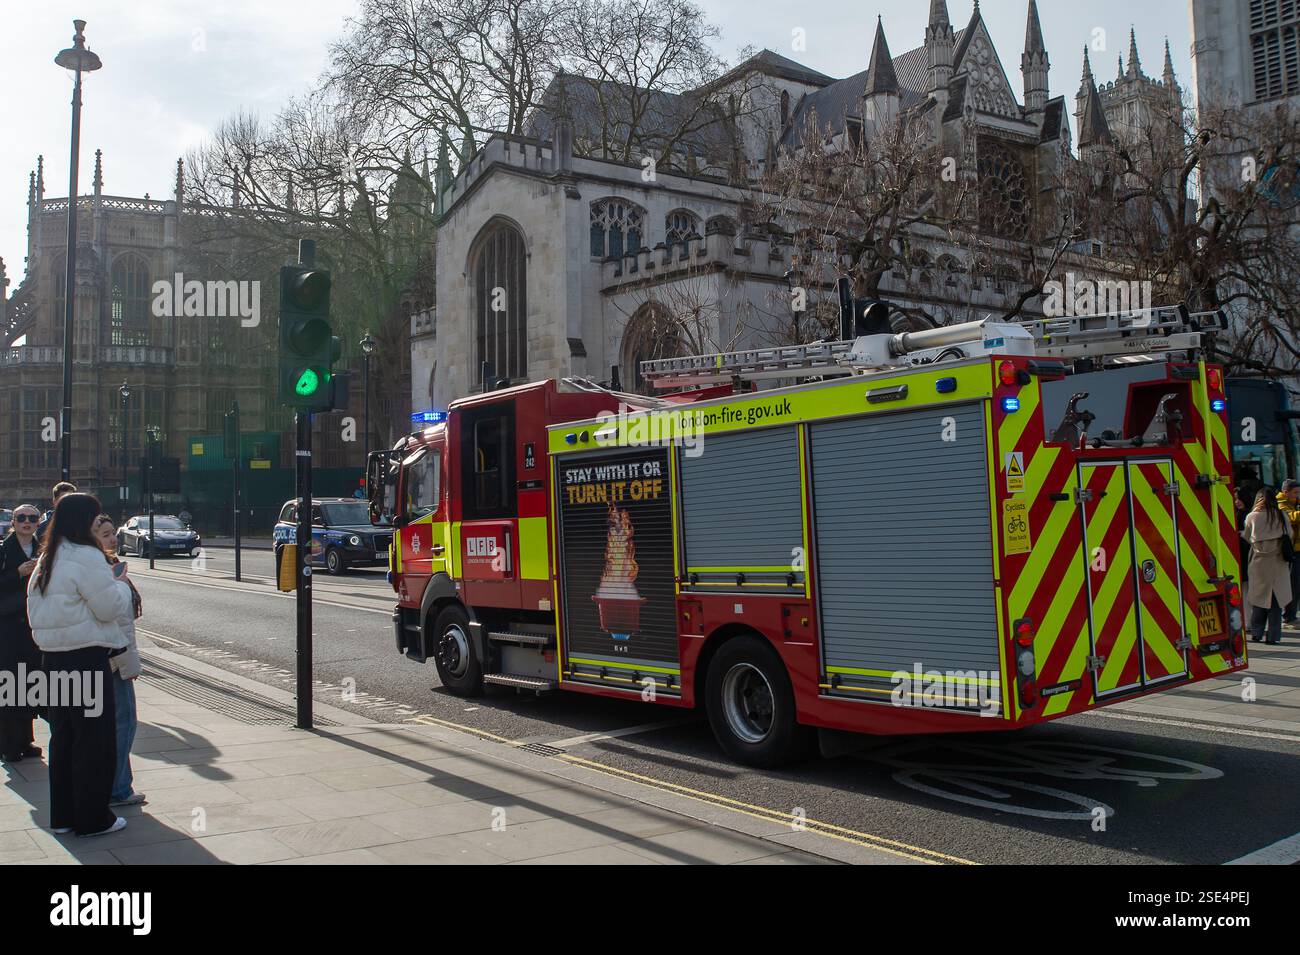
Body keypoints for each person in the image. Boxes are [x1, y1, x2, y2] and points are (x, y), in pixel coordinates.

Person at [27, 493, 132, 836]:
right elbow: (107, 608)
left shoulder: (47, 557)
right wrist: (120, 586)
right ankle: (92, 818)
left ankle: (64, 817)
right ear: (83, 519)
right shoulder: (86, 555)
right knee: (94, 741)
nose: (98, 522)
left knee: (64, 738)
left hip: (52, 659)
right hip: (85, 657)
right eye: (95, 516)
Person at [91, 514, 146, 807]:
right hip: (114, 656)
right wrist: (121, 584)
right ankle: (118, 789)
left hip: (114, 654)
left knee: (119, 724)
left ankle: (119, 784)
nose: (113, 538)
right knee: (123, 723)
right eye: (106, 534)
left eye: (113, 533)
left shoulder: (106, 565)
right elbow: (116, 615)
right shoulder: (102, 570)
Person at [0, 505, 43, 762]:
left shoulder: (43, 550)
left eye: (33, 518)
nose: (27, 522)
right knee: (9, 683)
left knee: (30, 682)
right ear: (13, 522)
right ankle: (8, 743)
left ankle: (26, 740)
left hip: (34, 625)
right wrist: (18, 573)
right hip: (8, 626)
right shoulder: (4, 550)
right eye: (22, 518)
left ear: (38, 523)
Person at [1244, 488, 1292, 646]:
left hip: (1259, 562)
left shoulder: (1252, 516)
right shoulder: (1281, 515)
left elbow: (1247, 536)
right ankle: (1273, 635)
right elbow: (1289, 534)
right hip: (1278, 561)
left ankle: (1256, 633)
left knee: (1259, 598)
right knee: (1276, 600)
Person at [1279, 479, 1300, 625]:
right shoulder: (1280, 504)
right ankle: (1288, 616)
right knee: (1293, 584)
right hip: (1291, 551)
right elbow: (1291, 517)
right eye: (1295, 492)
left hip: (1298, 549)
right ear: (1285, 492)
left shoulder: (1295, 503)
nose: (1298, 495)